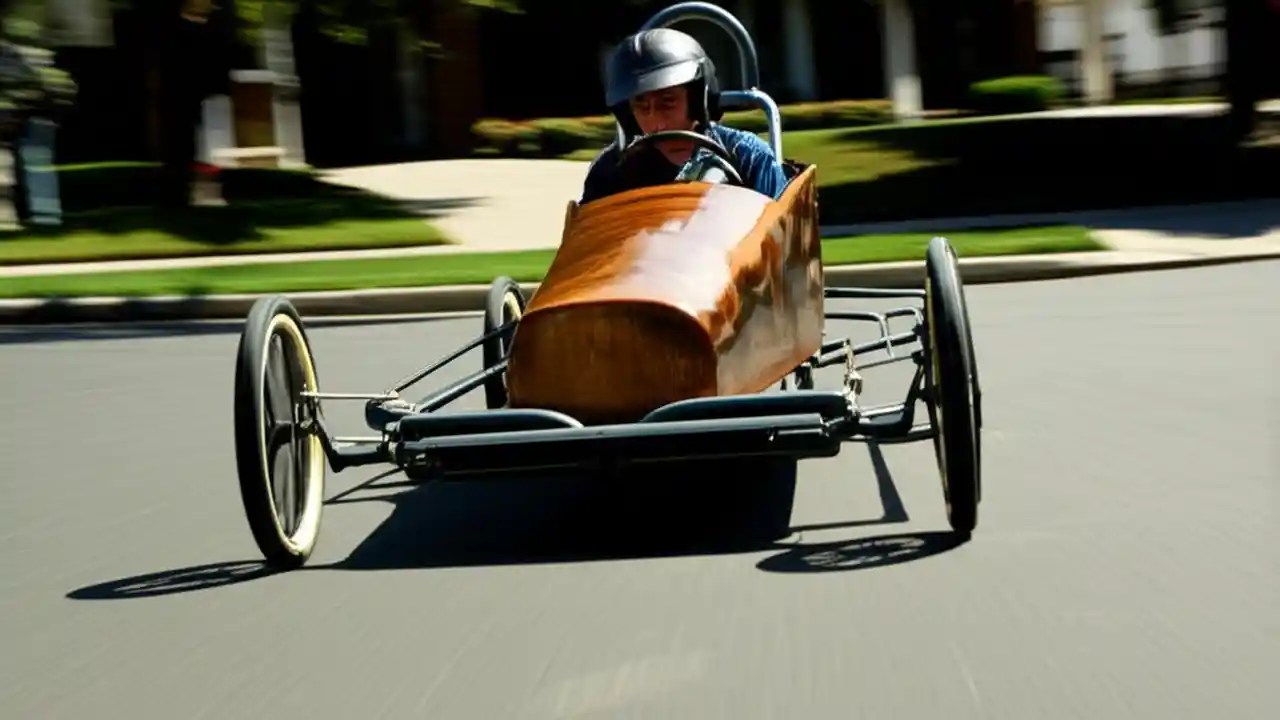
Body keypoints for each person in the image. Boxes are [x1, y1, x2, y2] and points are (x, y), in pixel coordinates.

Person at [580, 28, 789, 204]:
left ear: (699, 99)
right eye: (642, 107)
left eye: (668, 102)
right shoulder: (611, 171)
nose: (658, 124)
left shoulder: (747, 155)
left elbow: (780, 236)